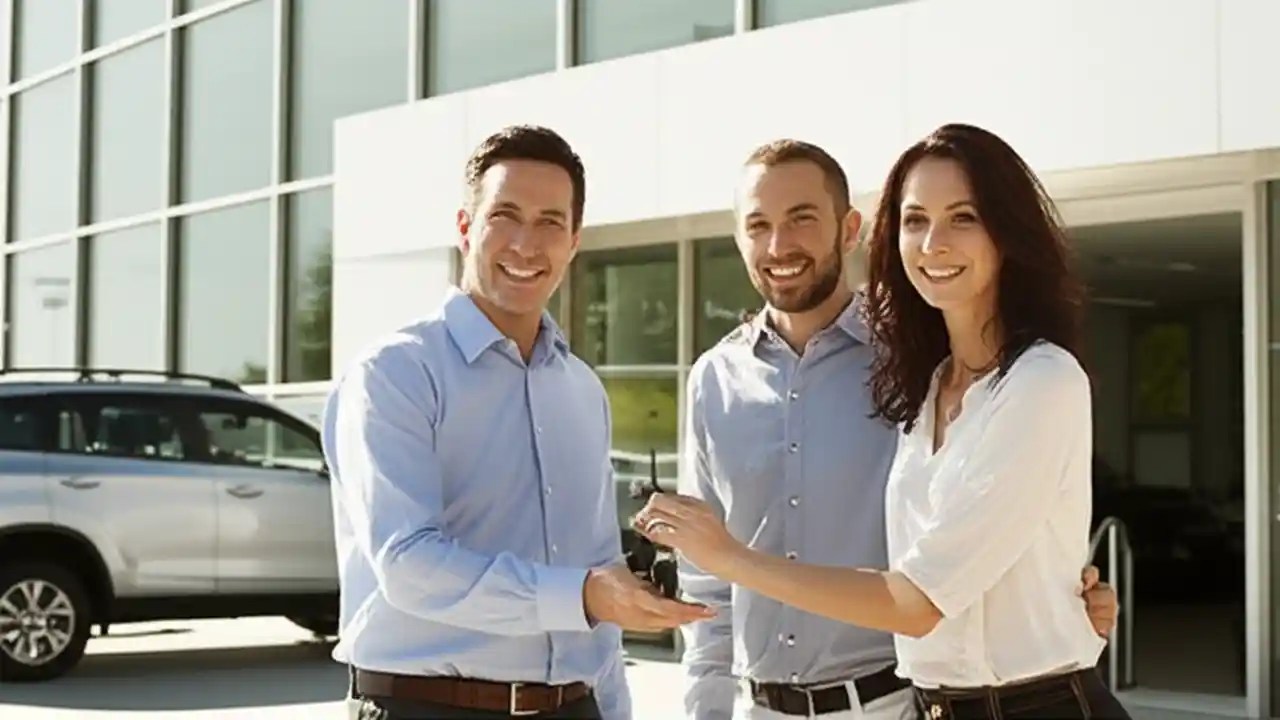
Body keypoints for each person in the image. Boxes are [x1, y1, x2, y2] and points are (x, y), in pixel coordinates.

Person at [640, 126, 1130, 720]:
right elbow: (706, 588)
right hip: (830, 705)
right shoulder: (929, 382)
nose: (778, 244)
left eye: (801, 218)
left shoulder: (942, 365)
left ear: (850, 230)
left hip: (905, 704)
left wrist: (1055, 602)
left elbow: (922, 595)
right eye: (915, 220)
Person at [322, 124, 713, 720]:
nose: (527, 245)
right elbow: (408, 566)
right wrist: (582, 596)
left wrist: (612, 704)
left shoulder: (581, 389)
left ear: (574, 241)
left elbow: (599, 566)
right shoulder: (395, 373)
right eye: (505, 215)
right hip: (425, 707)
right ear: (465, 227)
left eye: (550, 222)